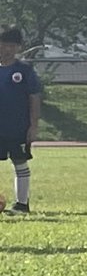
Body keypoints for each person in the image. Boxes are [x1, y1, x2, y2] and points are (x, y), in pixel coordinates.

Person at [0, 27, 42, 215]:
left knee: (20, 161)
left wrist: (33, 125)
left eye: (11, 46)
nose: (6, 49)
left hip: (18, 126)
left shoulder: (23, 70)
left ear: (17, 48)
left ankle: (22, 205)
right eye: (3, 45)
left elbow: (34, 96)